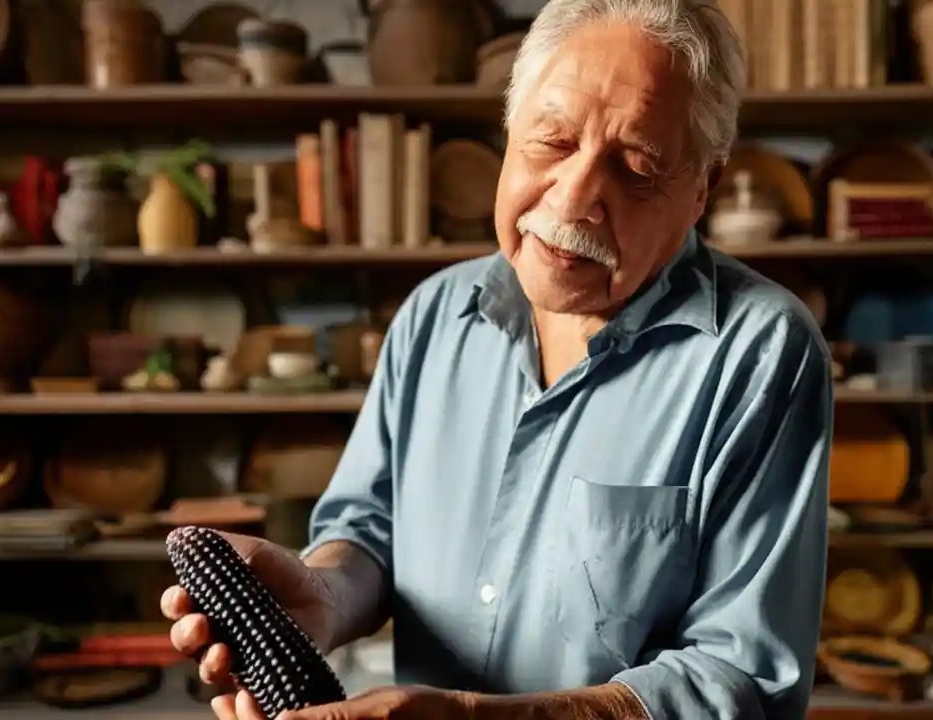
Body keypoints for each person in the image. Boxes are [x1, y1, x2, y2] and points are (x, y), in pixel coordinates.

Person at [163, 1, 832, 718]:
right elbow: (371, 529)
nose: (574, 198)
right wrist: (324, 592)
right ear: (508, 131)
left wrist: (475, 718)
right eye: (551, 141)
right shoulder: (434, 315)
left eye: (637, 167)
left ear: (703, 188)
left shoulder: (762, 353)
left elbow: (741, 678)